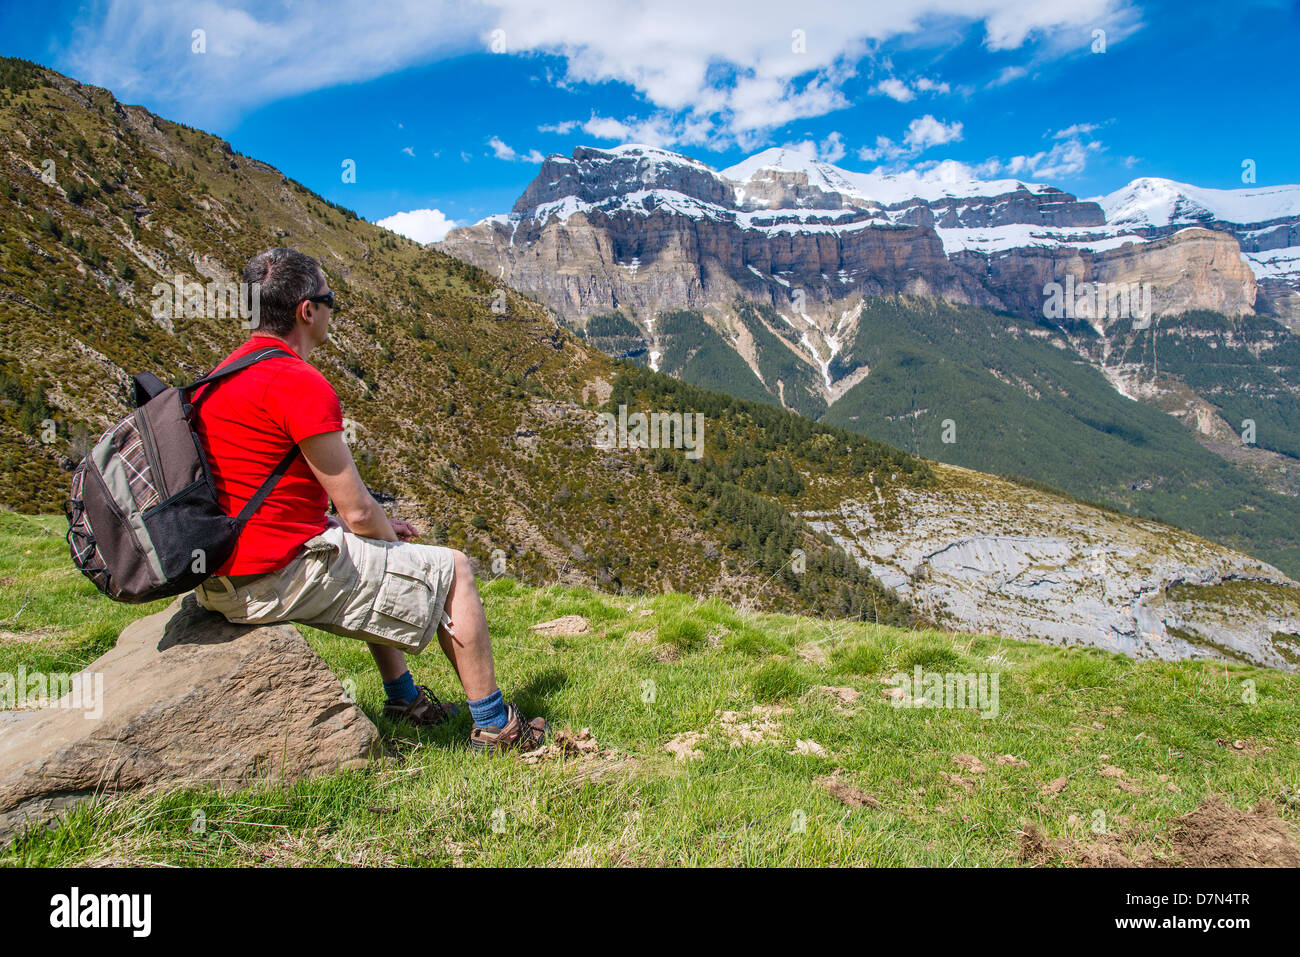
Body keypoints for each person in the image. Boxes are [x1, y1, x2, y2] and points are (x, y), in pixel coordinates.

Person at [192, 247, 548, 752]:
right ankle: (497, 727)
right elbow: (359, 512)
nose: (333, 307)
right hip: (269, 577)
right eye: (328, 297)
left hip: (221, 573)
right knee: (456, 570)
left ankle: (404, 698)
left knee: (366, 552)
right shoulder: (299, 383)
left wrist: (367, 533)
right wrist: (382, 537)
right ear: (306, 311)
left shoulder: (222, 375)